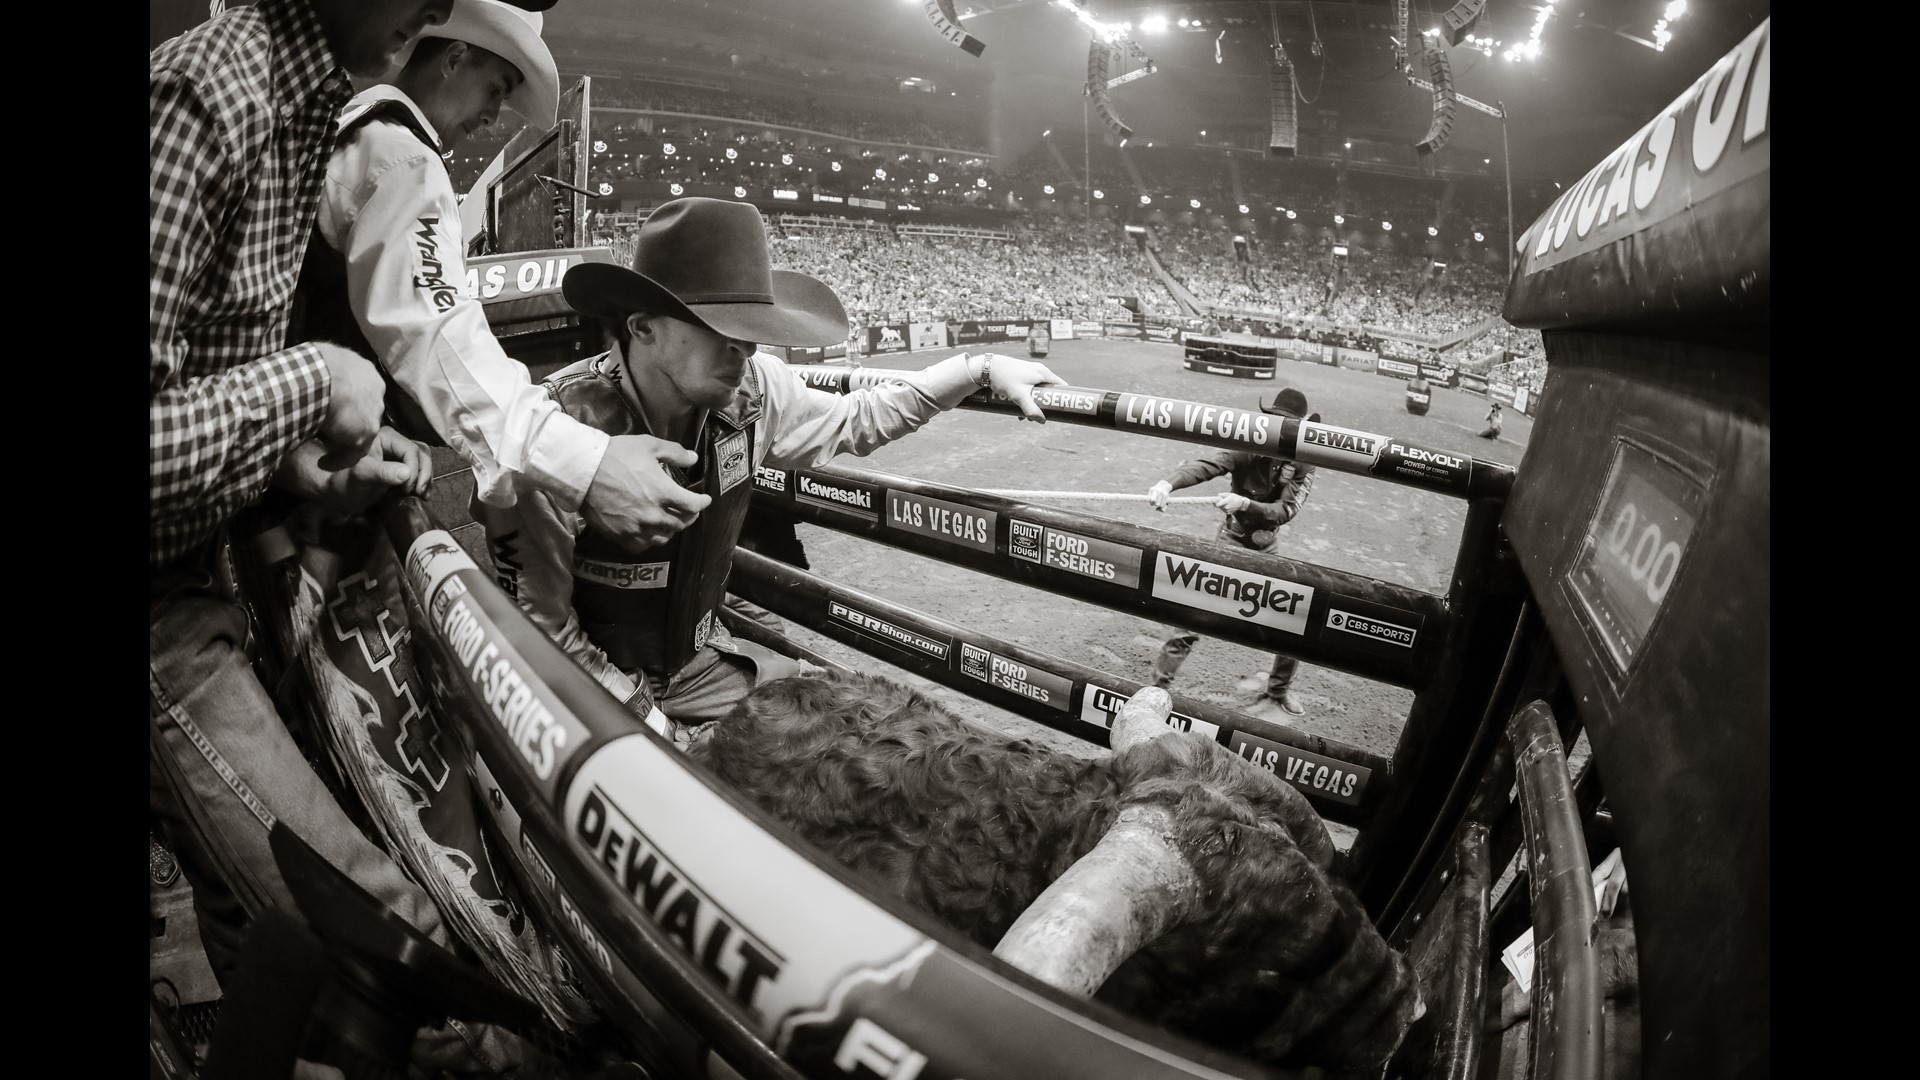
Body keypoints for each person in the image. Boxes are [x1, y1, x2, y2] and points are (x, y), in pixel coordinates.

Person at [149, 1, 541, 1074]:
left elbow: (185, 379)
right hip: (165, 604)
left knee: (265, 928)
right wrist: (311, 381)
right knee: (378, 926)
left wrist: (290, 455)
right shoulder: (215, 95)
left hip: (204, 566)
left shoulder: (302, 109)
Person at [477, 197, 1065, 734]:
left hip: (700, 664)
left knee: (849, 750)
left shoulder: (756, 392)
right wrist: (652, 729)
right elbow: (543, 631)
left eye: (753, 332)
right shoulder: (554, 436)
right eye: (721, 330)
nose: (746, 351)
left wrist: (979, 368)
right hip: (586, 694)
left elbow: (857, 418)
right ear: (643, 327)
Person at [293, 0, 708, 554]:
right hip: (306, 512)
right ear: (455, 57)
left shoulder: (351, 130)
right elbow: (440, 339)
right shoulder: (404, 160)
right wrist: (583, 463)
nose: (493, 115)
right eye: (496, 88)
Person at [1145, 387, 1320, 720]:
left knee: (1292, 621)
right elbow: (1208, 464)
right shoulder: (1248, 446)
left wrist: (1245, 503)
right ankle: (1157, 692)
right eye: (1276, 423)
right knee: (1192, 615)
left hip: (1266, 544)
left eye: (1287, 426)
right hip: (1232, 539)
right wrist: (1168, 483)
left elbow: (1286, 510)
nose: (1279, 431)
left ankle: (1278, 690)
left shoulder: (1304, 461)